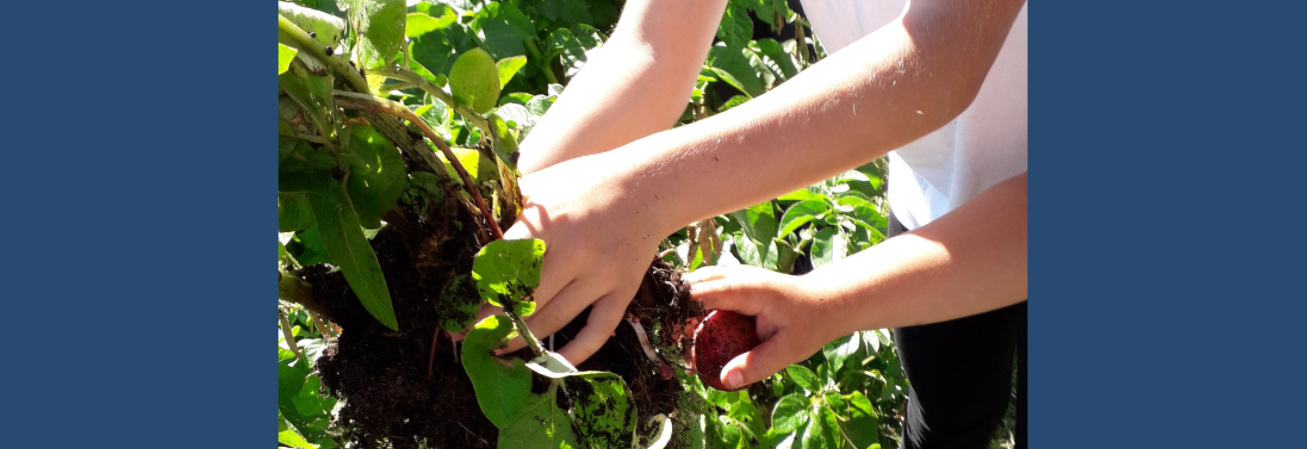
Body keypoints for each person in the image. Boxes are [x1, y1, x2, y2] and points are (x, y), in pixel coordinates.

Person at [476, 0, 1028, 447]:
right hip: (936, 191)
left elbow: (940, 56)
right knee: (947, 408)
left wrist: (639, 193)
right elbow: (652, 48)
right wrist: (503, 218)